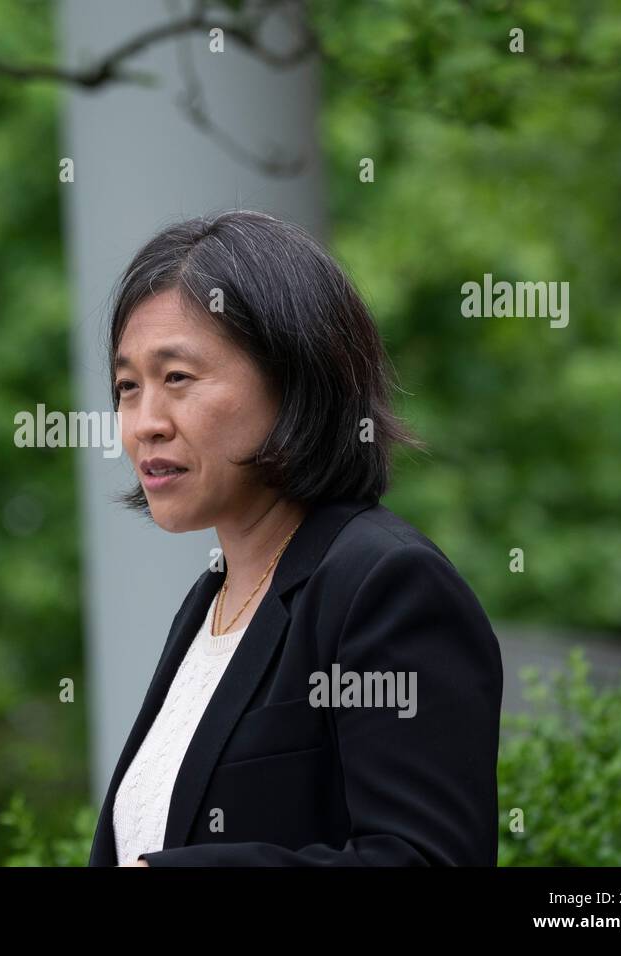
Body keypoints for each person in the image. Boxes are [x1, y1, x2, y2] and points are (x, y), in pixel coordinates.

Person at [89, 210, 503, 866]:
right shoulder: (210, 605)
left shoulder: (384, 586)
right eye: (127, 387)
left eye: (177, 379)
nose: (145, 423)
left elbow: (426, 860)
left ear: (294, 379)